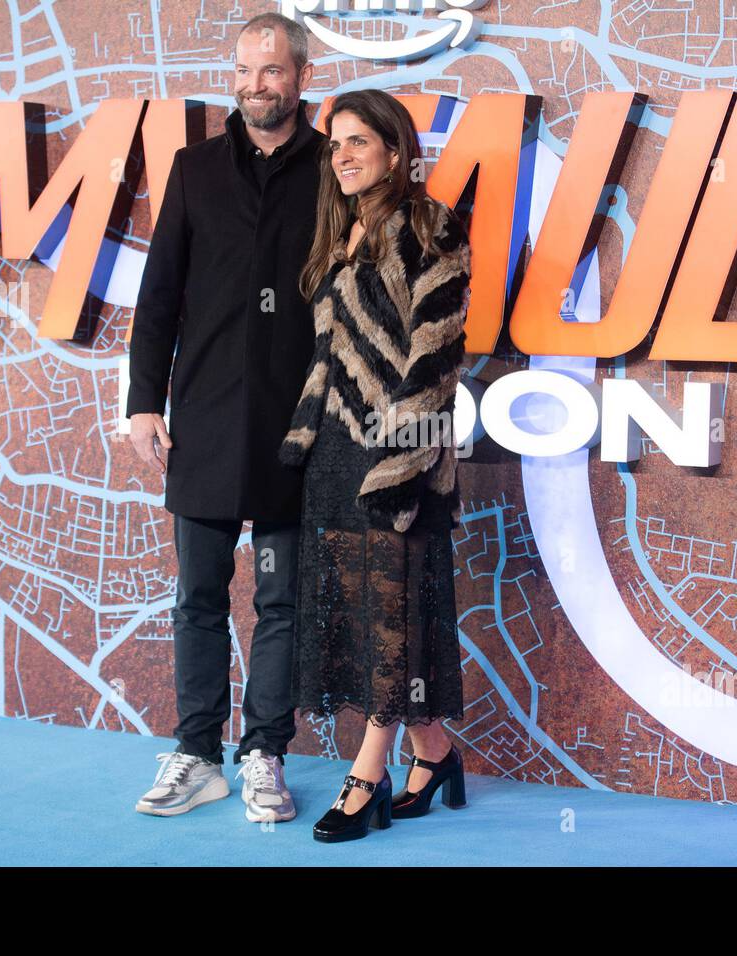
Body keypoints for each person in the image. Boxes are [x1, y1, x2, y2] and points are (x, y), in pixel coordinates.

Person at [125, 13, 324, 823]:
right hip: (201, 419)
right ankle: (199, 753)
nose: (253, 85)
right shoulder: (195, 168)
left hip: (296, 428)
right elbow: (159, 294)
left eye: (270, 71)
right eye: (242, 70)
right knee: (198, 597)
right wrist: (144, 401)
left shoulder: (333, 170)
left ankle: (265, 756)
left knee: (280, 602)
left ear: (301, 76)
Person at [278, 89, 473, 843]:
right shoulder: (342, 236)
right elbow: (328, 360)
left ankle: (369, 776)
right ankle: (437, 757)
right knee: (362, 619)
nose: (345, 155)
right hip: (335, 456)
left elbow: (437, 354)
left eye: (360, 141)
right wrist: (303, 441)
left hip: (400, 457)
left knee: (388, 621)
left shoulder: (428, 225)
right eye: (336, 144)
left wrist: (400, 461)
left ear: (395, 149)